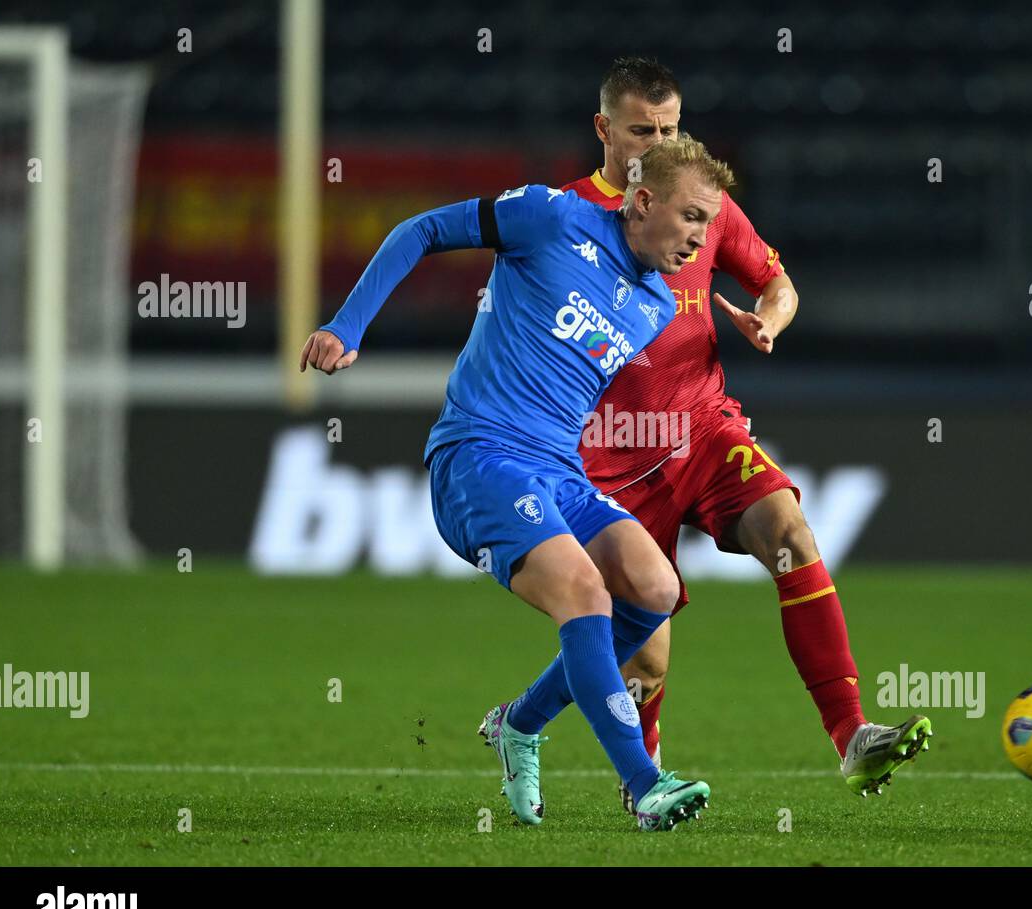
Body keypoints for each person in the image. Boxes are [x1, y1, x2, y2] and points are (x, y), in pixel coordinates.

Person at [300, 136, 735, 831]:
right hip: (478, 456)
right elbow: (423, 229)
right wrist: (347, 324)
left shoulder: (654, 304)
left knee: (656, 591)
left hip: (559, 470)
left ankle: (519, 723)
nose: (699, 238)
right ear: (643, 199)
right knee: (585, 595)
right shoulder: (550, 216)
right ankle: (646, 785)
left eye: (708, 225)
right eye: (690, 217)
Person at [563, 57, 932, 808]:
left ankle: (853, 736)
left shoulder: (703, 202)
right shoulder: (565, 215)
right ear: (605, 130)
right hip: (607, 458)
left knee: (791, 534)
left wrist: (770, 317)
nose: (659, 145)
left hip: (701, 429)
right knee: (646, 662)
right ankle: (646, 779)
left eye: (670, 129)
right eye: (642, 132)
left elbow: (779, 281)